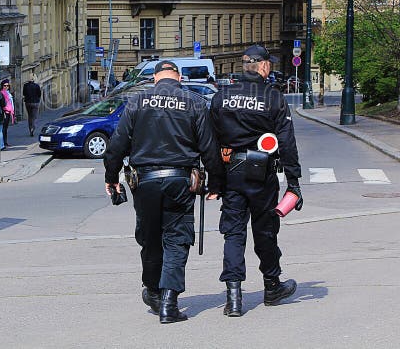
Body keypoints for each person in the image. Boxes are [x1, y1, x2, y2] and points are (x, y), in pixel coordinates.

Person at [103, 60, 225, 324]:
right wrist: (215, 184)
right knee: (177, 239)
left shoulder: (137, 101)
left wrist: (111, 177)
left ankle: (153, 291)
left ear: (155, 78)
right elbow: (209, 147)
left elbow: (117, 144)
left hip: (144, 182)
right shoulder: (193, 102)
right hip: (180, 181)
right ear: (178, 78)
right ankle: (169, 302)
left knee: (150, 238)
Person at [208, 44, 302, 317]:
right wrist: (294, 183)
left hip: (232, 172)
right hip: (262, 175)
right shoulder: (273, 97)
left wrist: (215, 181)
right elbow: (286, 142)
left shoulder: (221, 96)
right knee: (265, 231)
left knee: (233, 233)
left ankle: (234, 297)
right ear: (263, 66)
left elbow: (209, 142)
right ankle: (272, 286)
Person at [0, 79, 15, 147]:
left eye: (7, 86)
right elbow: (2, 103)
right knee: (4, 128)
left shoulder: (8, 92)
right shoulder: (2, 93)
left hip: (9, 112)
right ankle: (3, 142)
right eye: (4, 86)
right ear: (2, 86)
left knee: (5, 128)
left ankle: (5, 142)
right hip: (5, 112)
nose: (6, 87)